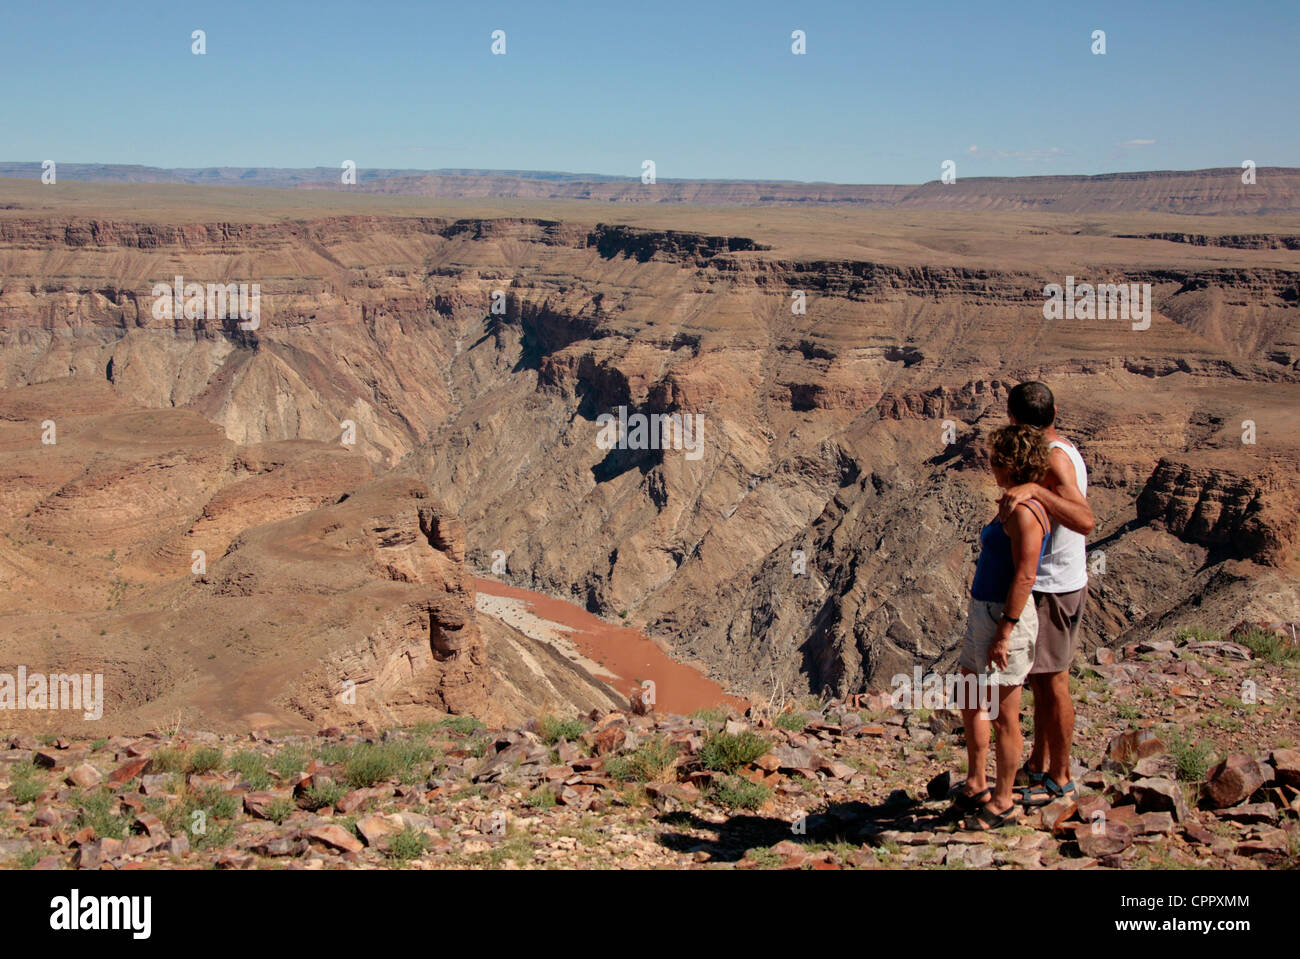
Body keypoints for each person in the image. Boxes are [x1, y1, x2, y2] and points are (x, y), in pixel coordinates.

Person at [998, 382, 1093, 806]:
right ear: (1055, 411)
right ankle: (1037, 765)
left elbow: (1086, 520)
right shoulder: (1054, 449)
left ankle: (1062, 775)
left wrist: (1035, 491)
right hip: (1051, 584)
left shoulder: (1054, 459)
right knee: (1040, 680)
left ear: (1013, 418)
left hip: (1054, 587)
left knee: (1054, 684)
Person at [952, 424, 1051, 830]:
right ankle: (977, 782)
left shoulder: (1027, 512)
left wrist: (1005, 631)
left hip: (1004, 619)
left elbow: (1025, 575)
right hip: (984, 612)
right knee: (971, 693)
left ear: (1008, 463)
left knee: (1004, 715)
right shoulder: (1012, 501)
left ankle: (1005, 801)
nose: (989, 464)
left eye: (995, 458)